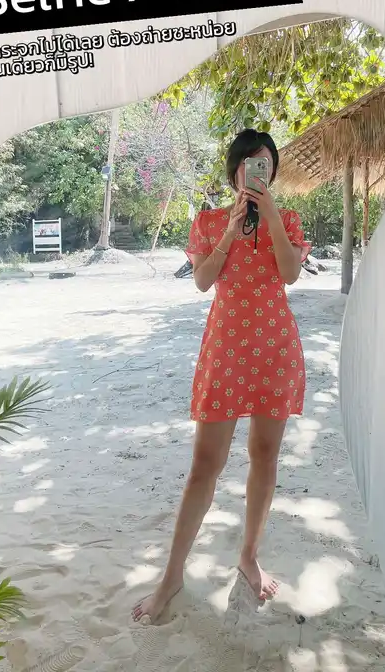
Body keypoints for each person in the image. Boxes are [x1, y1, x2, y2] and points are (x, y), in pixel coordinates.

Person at [132, 128, 311, 624]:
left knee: (265, 456)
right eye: (250, 164)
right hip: (226, 352)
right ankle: (172, 575)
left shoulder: (288, 219)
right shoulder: (209, 222)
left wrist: (269, 216)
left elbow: (290, 273)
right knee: (204, 466)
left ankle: (249, 557)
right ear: (235, 171)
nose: (258, 173)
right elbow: (203, 280)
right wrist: (232, 229)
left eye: (266, 165)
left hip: (275, 350)